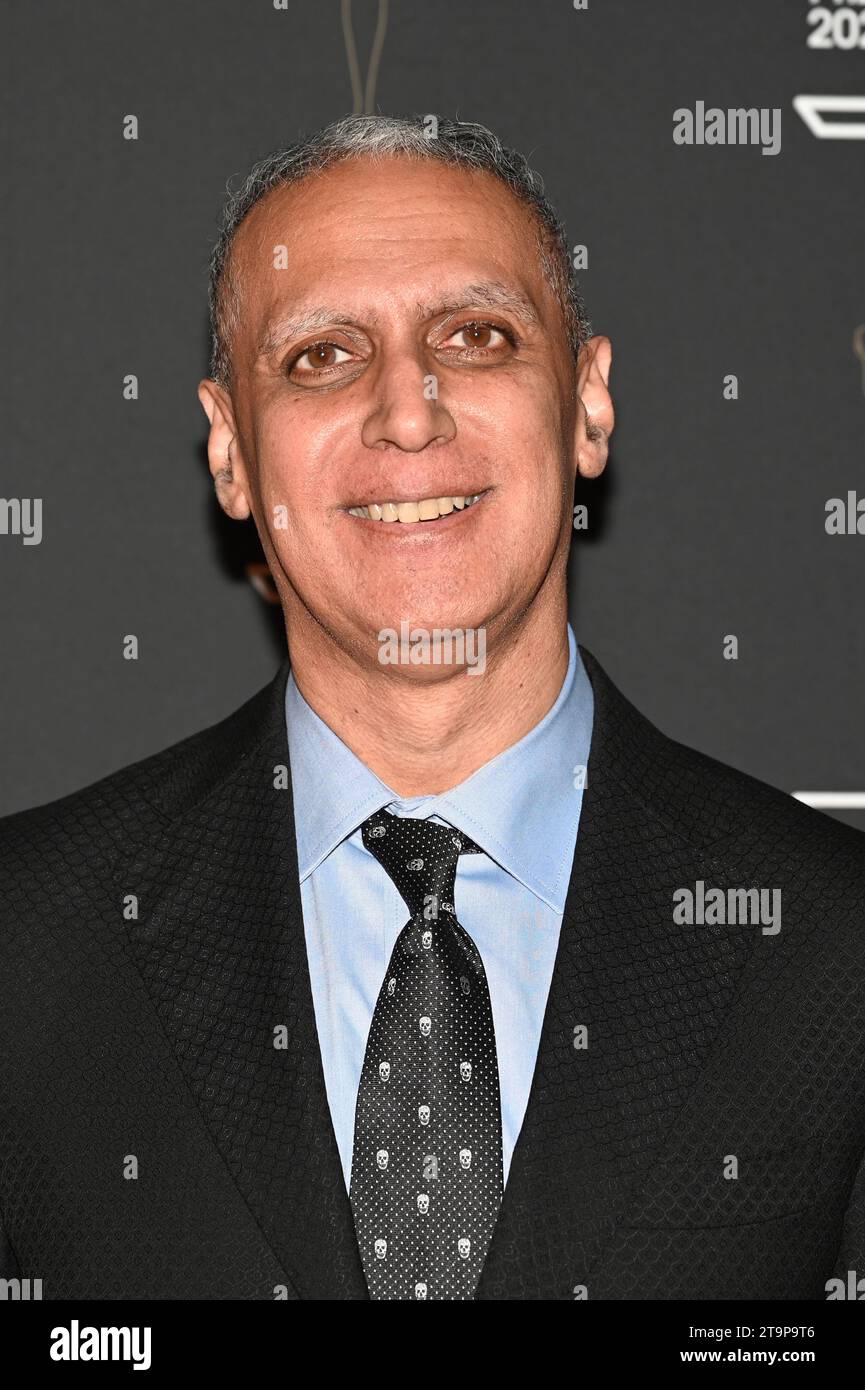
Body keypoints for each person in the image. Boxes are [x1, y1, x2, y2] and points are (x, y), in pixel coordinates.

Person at [1, 115, 863, 1302]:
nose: (408, 411)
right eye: (320, 357)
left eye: (476, 335)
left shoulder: (832, 949)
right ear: (229, 454)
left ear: (589, 404)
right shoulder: (28, 945)